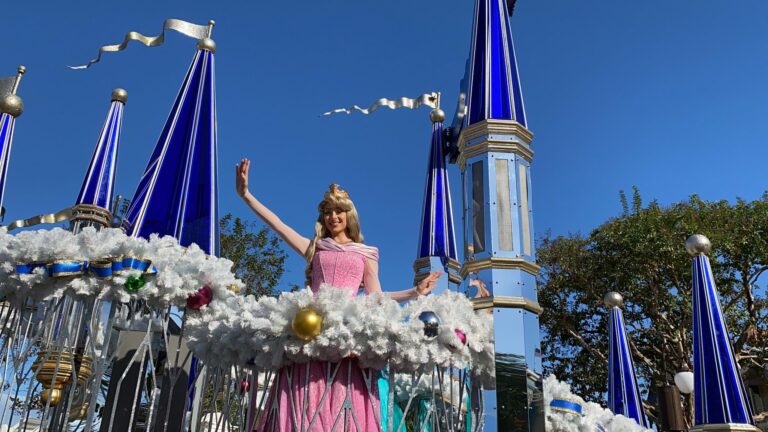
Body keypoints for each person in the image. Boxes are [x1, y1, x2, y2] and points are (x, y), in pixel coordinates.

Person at [236, 159, 440, 432]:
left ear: (349, 215)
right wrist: (247, 195)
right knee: (305, 398)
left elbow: (375, 297)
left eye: (339, 211)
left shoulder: (366, 253)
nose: (333, 217)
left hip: (347, 335)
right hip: (311, 330)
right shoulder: (317, 248)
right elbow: (279, 225)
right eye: (328, 212)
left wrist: (414, 291)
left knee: (344, 399)